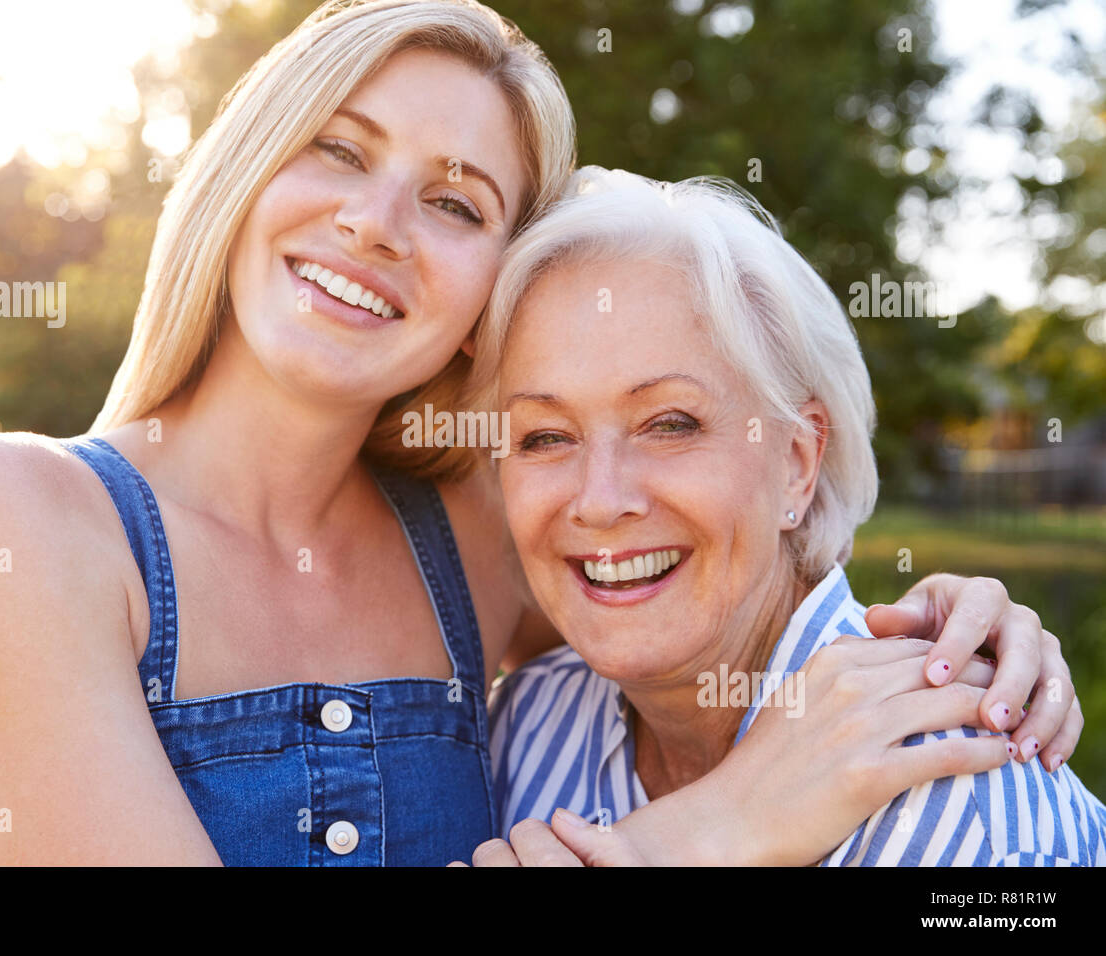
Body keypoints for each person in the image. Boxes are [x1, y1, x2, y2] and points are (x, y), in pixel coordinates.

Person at [0, 0, 1080, 867]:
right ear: (243, 172)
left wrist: (954, 623)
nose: (374, 222)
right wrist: (718, 828)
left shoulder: (472, 537)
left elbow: (718, 556)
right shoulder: (12, 520)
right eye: (340, 149)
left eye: (455, 202)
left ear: (488, 298)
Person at [470, 168, 1103, 866]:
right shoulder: (524, 725)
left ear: (797, 462)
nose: (598, 499)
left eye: (670, 424)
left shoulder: (956, 792)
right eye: (545, 437)